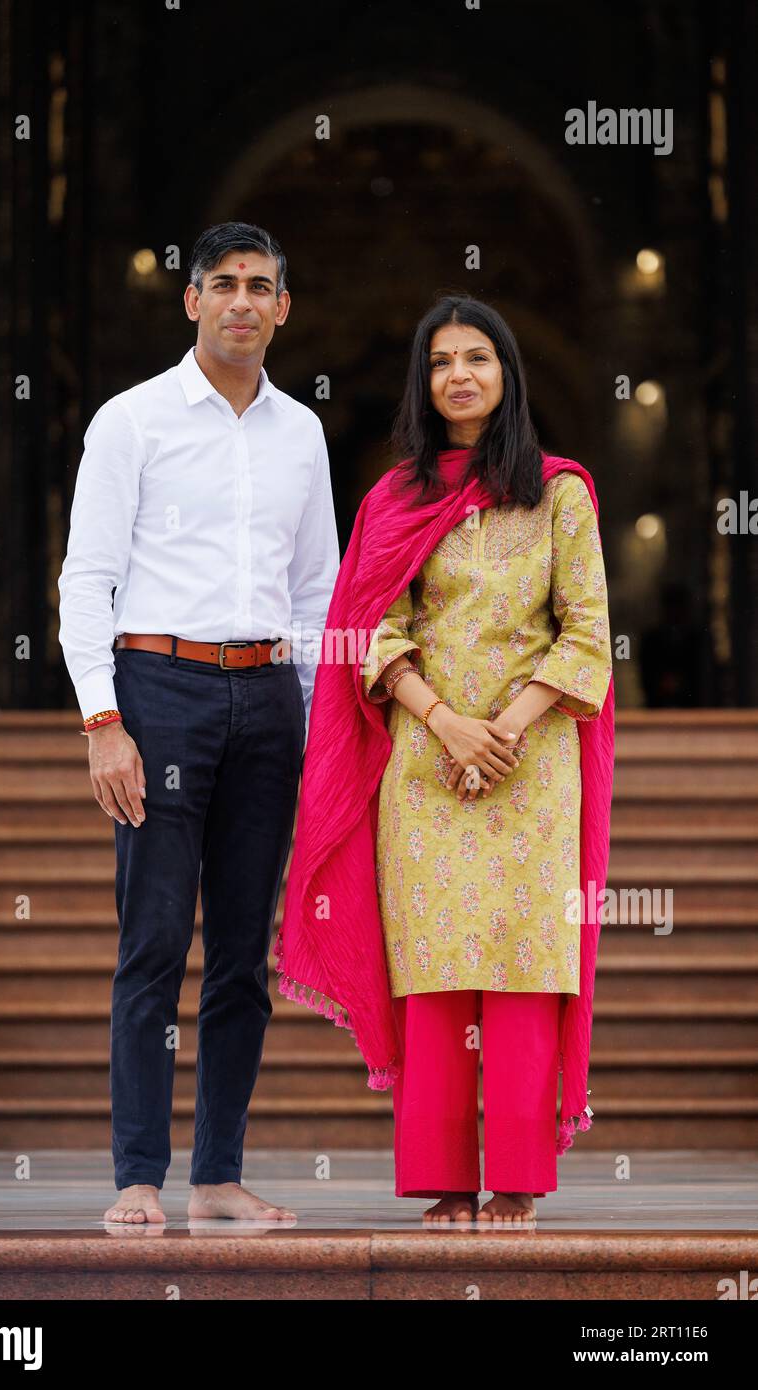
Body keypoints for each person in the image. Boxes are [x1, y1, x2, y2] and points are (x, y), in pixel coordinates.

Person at [277, 295, 615, 1225]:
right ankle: (441, 1180)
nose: (458, 374)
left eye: (476, 358)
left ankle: (514, 1180)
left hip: (535, 765)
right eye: (440, 362)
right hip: (424, 764)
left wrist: (502, 727)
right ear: (423, 384)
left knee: (522, 962)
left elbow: (586, 636)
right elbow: (369, 631)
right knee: (431, 965)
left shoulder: (559, 493)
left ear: (507, 374)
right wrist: (446, 725)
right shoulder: (395, 499)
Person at [58, 222, 340, 1223]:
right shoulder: (133, 422)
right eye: (222, 284)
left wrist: (317, 729)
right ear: (191, 300)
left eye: (260, 286)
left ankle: (217, 1174)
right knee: (152, 942)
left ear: (282, 307)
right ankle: (138, 1178)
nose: (241, 303)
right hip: (159, 691)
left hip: (268, 700)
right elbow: (86, 577)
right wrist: (103, 719)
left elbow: (316, 591)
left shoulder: (301, 433)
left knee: (241, 958)